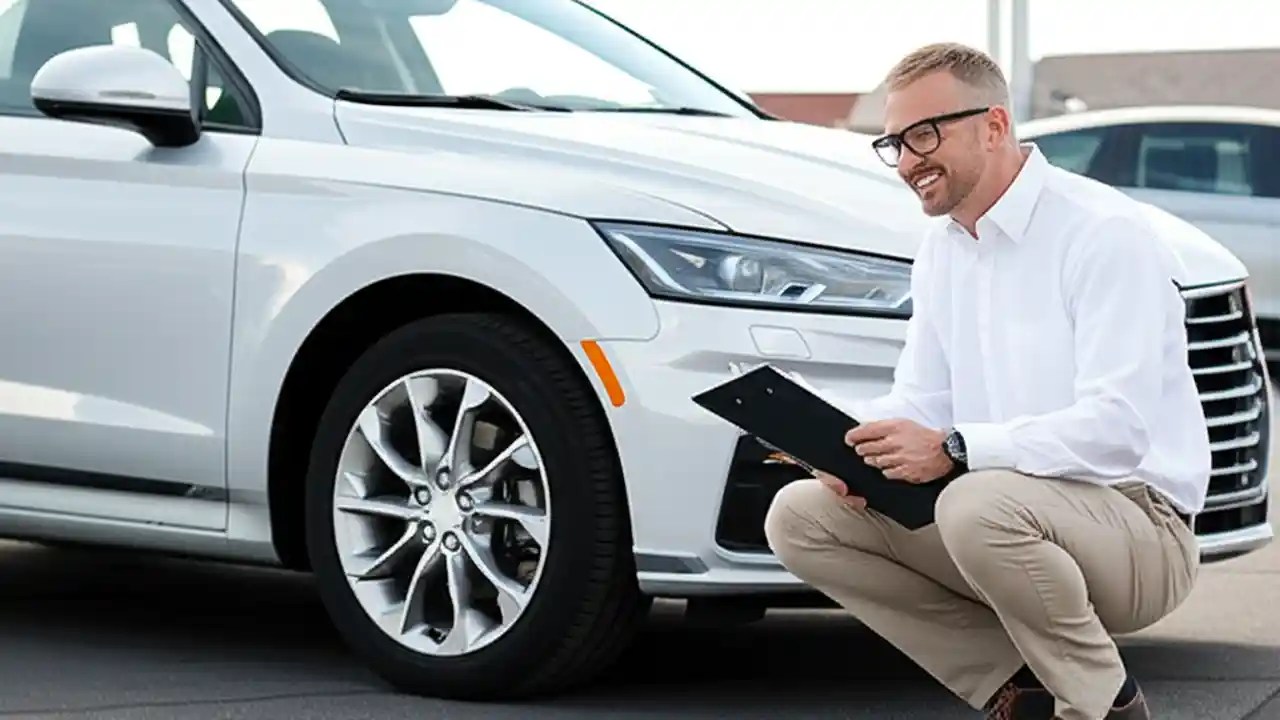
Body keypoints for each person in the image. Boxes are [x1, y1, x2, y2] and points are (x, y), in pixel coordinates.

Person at [763, 42, 1208, 720]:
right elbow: (922, 396)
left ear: (994, 126)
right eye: (895, 144)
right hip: (1006, 514)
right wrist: (854, 445)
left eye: (924, 135)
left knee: (977, 502)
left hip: (1138, 527)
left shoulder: (1103, 232)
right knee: (800, 517)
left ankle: (1103, 707)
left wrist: (957, 449)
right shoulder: (943, 249)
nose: (909, 161)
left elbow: (1120, 430)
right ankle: (1019, 688)